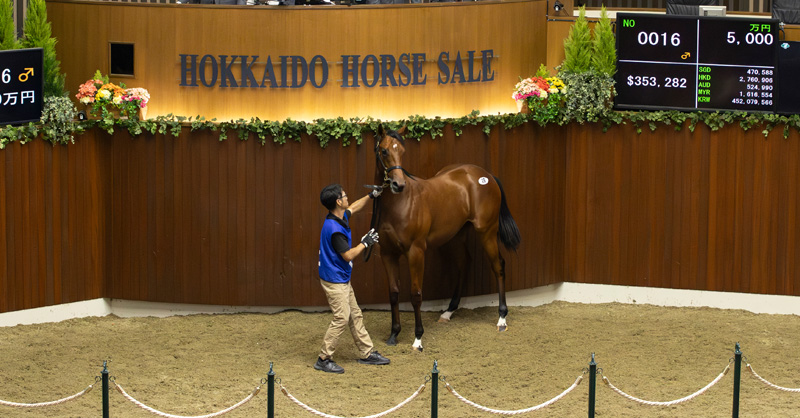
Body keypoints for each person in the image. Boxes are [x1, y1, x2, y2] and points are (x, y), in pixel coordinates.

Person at [315, 184, 389, 374]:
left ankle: (367, 352)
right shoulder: (335, 229)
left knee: (355, 315)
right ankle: (324, 358)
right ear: (338, 202)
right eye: (345, 196)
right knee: (341, 317)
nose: (348, 198)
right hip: (335, 280)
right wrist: (365, 243)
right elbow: (347, 255)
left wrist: (371, 195)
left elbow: (354, 207)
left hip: (341, 277)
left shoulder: (339, 217)